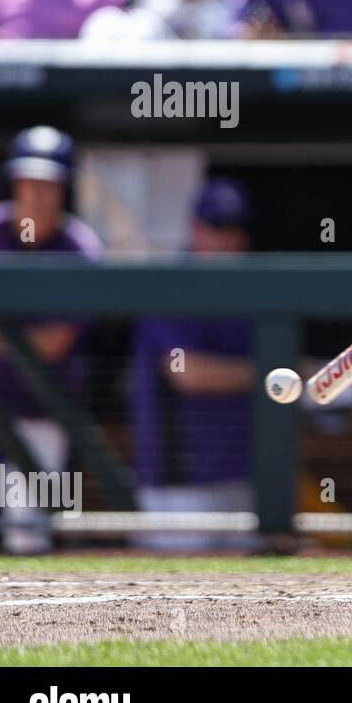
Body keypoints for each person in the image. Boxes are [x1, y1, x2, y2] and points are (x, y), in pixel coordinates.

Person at [0, 127, 103, 554]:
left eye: (48, 184)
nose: (37, 195)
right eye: (29, 182)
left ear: (64, 189)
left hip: (41, 415)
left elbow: (53, 344)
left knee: (25, 536)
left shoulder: (80, 248)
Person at [129, 179, 257, 551]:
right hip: (178, 484)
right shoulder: (171, 284)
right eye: (218, 228)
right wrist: (267, 375)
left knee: (245, 601)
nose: (227, 240)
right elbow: (188, 374)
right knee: (170, 601)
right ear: (195, 228)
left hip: (239, 474)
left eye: (236, 229)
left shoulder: (250, 292)